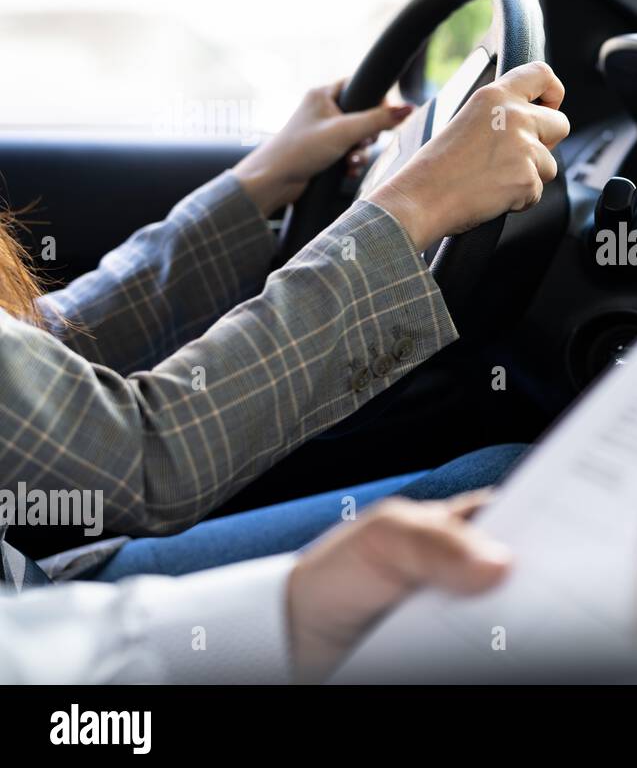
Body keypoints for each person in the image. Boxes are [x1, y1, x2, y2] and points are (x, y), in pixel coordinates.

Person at [0, 62, 569, 589]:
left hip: (38, 591)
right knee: (520, 489)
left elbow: (42, 347)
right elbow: (146, 459)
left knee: (508, 487)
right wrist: (419, 202)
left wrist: (266, 177)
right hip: (55, 640)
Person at [0, 408, 637, 683]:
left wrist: (288, 619)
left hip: (44, 600)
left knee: (497, 491)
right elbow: (134, 450)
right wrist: (406, 214)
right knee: (516, 483)